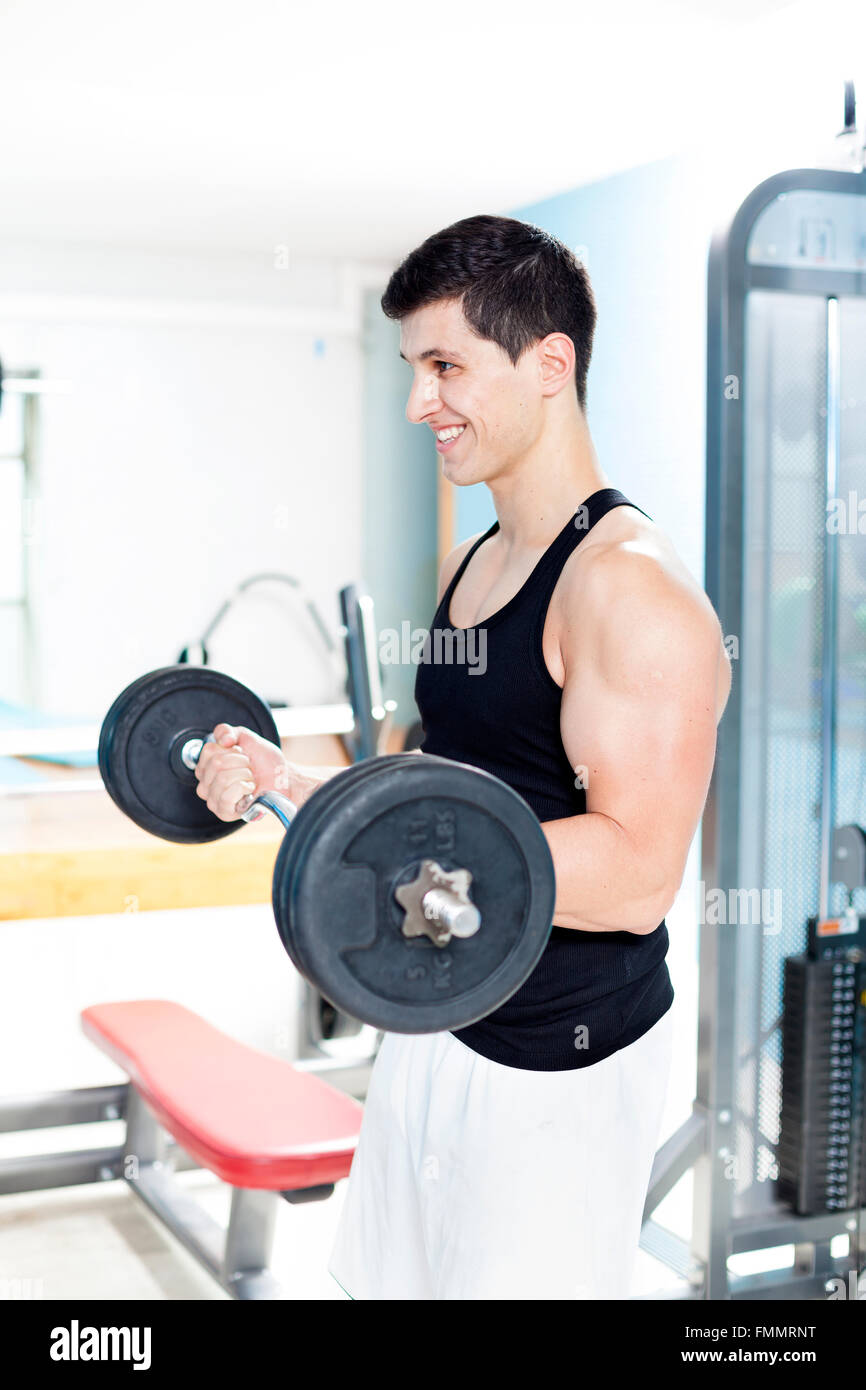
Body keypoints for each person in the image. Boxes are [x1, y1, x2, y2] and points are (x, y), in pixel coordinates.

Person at [195, 214, 731, 1300]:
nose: (415, 403)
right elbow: (432, 788)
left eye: (445, 365)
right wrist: (292, 780)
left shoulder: (629, 589)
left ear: (548, 364)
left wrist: (402, 858)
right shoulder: (469, 562)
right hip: (436, 1013)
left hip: (556, 1060)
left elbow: (636, 873)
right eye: (411, 367)